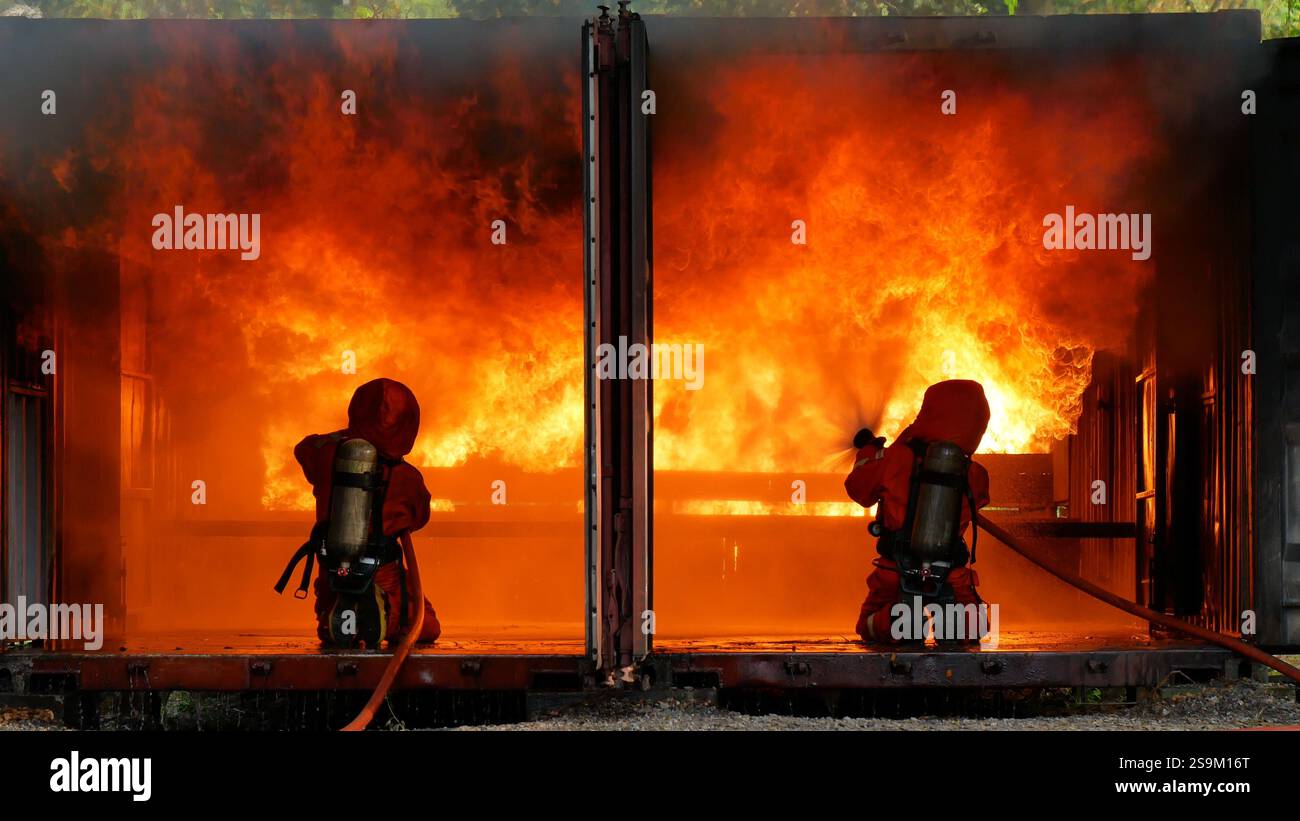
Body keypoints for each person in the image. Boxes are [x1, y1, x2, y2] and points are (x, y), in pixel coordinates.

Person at [291, 378, 441, 647]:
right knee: (425, 624)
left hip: (331, 570)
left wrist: (344, 437)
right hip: (381, 574)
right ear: (408, 425)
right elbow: (420, 516)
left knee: (332, 616)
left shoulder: (325, 453)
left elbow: (302, 449)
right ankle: (383, 611)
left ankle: (335, 616)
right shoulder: (407, 478)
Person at [844, 379, 991, 643]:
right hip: (951, 574)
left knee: (869, 626)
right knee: (973, 629)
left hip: (895, 570)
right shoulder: (977, 475)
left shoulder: (894, 458)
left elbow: (858, 489)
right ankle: (953, 623)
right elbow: (978, 501)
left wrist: (871, 451)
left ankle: (901, 621)